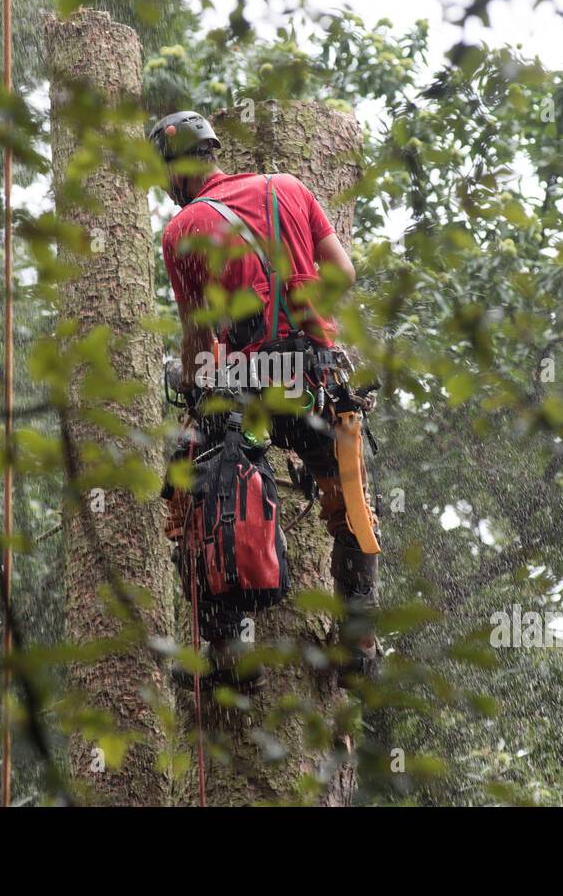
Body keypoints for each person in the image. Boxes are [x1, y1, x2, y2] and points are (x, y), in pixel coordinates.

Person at [149, 110, 380, 690]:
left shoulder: (183, 230)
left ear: (175, 171)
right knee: (347, 495)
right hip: (313, 377)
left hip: (245, 390)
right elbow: (344, 273)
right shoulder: (292, 190)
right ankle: (359, 643)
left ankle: (229, 654)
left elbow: (199, 337)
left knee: (202, 491)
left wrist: (192, 379)